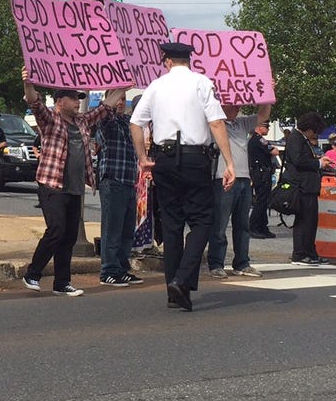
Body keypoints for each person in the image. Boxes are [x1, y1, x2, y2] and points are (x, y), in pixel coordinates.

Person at [130, 41, 236, 312]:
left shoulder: (155, 86)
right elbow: (216, 122)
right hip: (194, 157)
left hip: (164, 158)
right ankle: (182, 279)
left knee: (172, 223)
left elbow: (136, 123)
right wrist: (229, 161)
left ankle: (173, 291)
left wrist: (143, 158)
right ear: (189, 60)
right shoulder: (201, 83)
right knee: (202, 220)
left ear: (167, 61)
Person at [21, 69, 125, 297]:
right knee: (56, 229)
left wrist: (123, 87)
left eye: (79, 98)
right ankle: (32, 273)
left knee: (68, 237)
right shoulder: (50, 120)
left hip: (75, 188)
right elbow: (34, 102)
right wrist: (28, 83)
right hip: (52, 184)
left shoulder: (82, 121)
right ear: (60, 101)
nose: (78, 102)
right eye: (73, 98)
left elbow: (104, 107)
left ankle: (62, 282)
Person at [206, 100, 270, 280]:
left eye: (238, 105)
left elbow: (263, 115)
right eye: (232, 104)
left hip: (244, 177)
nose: (237, 108)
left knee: (243, 224)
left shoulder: (242, 123)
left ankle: (242, 262)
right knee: (220, 224)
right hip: (222, 177)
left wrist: (268, 98)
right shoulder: (213, 123)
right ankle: (216, 263)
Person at [93, 96, 143, 287]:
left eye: (123, 99)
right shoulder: (105, 119)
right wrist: (119, 90)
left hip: (130, 181)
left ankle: (122, 268)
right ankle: (108, 270)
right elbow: (104, 115)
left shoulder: (128, 121)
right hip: (113, 180)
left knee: (127, 230)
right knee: (112, 229)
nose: (120, 102)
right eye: (117, 99)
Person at [284, 112, 336, 265]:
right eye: (315, 131)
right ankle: (300, 254)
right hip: (302, 186)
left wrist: (319, 160)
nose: (315, 134)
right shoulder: (296, 138)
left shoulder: (301, 139)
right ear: (309, 128)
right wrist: (318, 163)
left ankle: (310, 252)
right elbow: (299, 160)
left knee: (310, 222)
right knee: (304, 222)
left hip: (308, 185)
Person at [248, 121, 281, 238]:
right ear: (259, 127)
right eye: (266, 127)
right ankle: (254, 227)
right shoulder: (259, 139)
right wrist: (272, 150)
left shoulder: (253, 139)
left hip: (260, 173)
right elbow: (275, 151)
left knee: (263, 201)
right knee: (261, 201)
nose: (268, 129)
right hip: (261, 173)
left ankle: (262, 227)